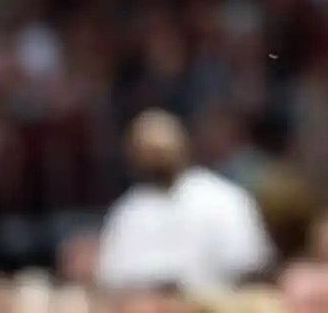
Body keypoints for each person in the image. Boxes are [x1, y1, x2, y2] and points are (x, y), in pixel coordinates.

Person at [95, 109, 275, 297]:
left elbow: (250, 263)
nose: (155, 156)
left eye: (161, 148)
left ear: (183, 145)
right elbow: (111, 277)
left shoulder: (223, 198)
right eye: (146, 149)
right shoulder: (128, 211)